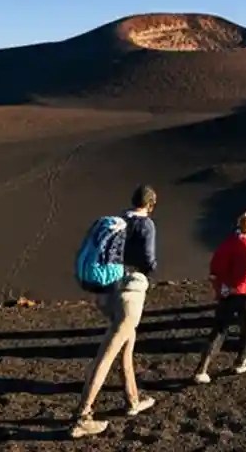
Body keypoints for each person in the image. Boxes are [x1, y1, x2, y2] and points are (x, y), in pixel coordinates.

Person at [69, 185, 159, 439]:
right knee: (107, 354)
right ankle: (82, 416)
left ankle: (133, 400)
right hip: (129, 294)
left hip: (107, 291)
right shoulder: (146, 225)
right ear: (151, 205)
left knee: (125, 347)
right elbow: (149, 261)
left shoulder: (118, 220)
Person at [192, 211, 246, 384]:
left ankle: (202, 368)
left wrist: (222, 287)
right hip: (245, 293)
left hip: (226, 292)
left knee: (220, 330)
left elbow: (215, 267)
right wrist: (236, 285)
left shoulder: (228, 243)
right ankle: (240, 360)